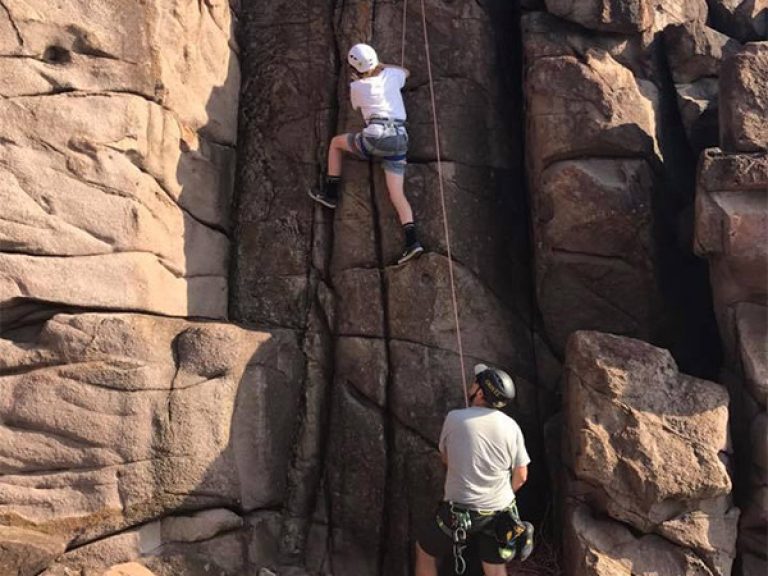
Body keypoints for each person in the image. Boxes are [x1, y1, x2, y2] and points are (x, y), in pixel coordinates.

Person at [308, 43, 424, 265]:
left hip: (376, 137)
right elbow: (406, 72)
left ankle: (330, 194)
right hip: (399, 139)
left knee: (336, 144)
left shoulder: (358, 87)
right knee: (397, 195)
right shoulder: (392, 75)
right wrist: (383, 66)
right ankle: (412, 242)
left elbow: (357, 107)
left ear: (354, 68)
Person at [415, 364, 533, 576]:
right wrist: (499, 497)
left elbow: (446, 459)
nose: (471, 385)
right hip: (498, 513)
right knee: (495, 569)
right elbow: (522, 475)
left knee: (425, 551)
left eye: (475, 383)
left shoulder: (454, 418)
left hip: (457, 512)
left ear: (479, 393)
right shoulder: (511, 426)